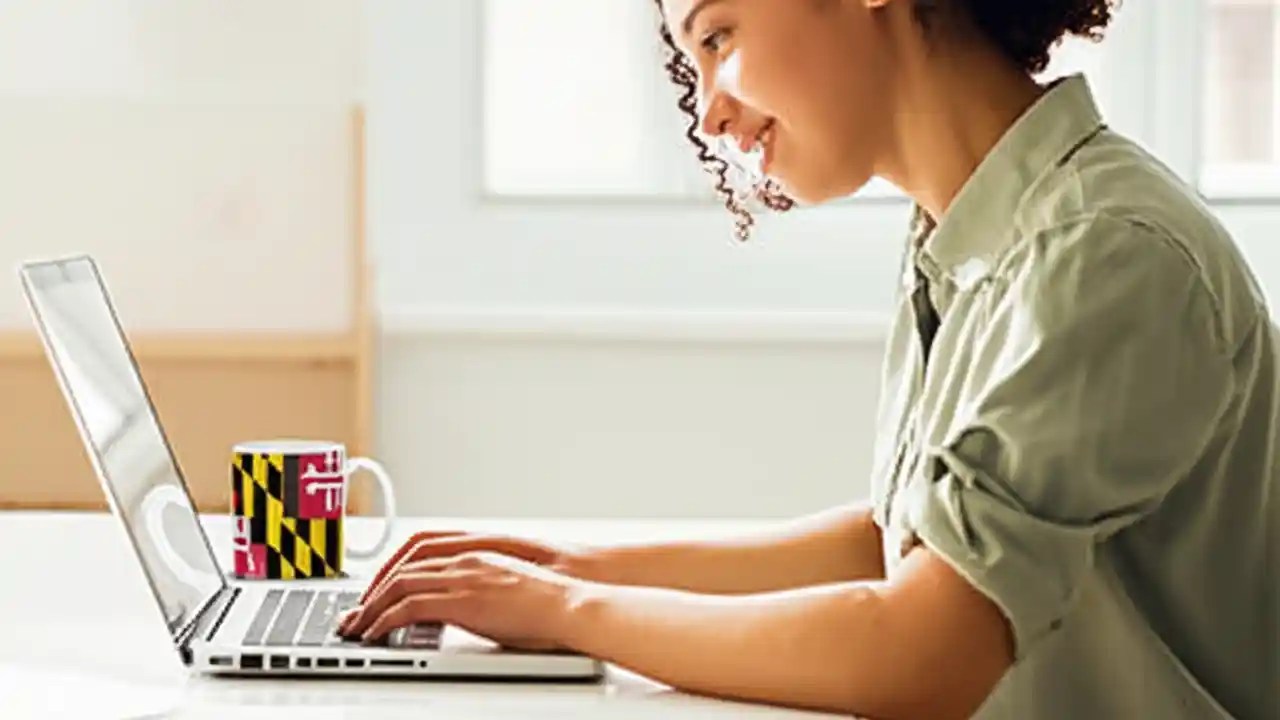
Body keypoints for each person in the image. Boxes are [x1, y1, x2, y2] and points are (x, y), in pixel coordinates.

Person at [340, 1, 1279, 717]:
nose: (709, 115)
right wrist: (571, 566)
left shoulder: (1105, 253)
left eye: (717, 39)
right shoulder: (972, 234)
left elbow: (923, 649)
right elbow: (904, 543)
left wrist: (565, 611)